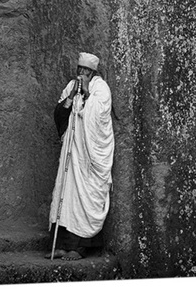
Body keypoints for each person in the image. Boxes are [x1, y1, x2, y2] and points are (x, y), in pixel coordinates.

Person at [48, 52, 114, 261]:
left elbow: (101, 116)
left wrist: (86, 95)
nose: (82, 74)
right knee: (65, 195)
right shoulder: (70, 87)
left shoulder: (100, 88)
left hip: (88, 155)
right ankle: (60, 245)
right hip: (71, 151)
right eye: (80, 70)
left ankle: (79, 248)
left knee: (84, 196)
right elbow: (59, 115)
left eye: (86, 72)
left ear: (93, 72)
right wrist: (70, 98)